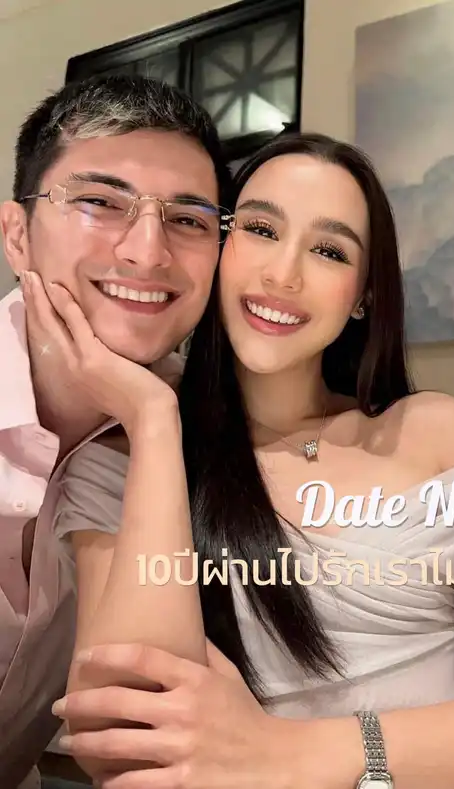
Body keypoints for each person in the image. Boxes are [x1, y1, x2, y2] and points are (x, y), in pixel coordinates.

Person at [44, 132, 454, 789]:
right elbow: (126, 745)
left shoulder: (431, 434)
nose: (283, 274)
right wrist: (155, 422)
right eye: (260, 229)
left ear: (363, 295)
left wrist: (293, 752)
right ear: (216, 248)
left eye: (329, 250)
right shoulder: (126, 461)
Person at [0, 73, 232, 789]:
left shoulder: (202, 425)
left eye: (188, 219)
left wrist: (152, 419)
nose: (147, 252)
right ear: (16, 235)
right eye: (100, 202)